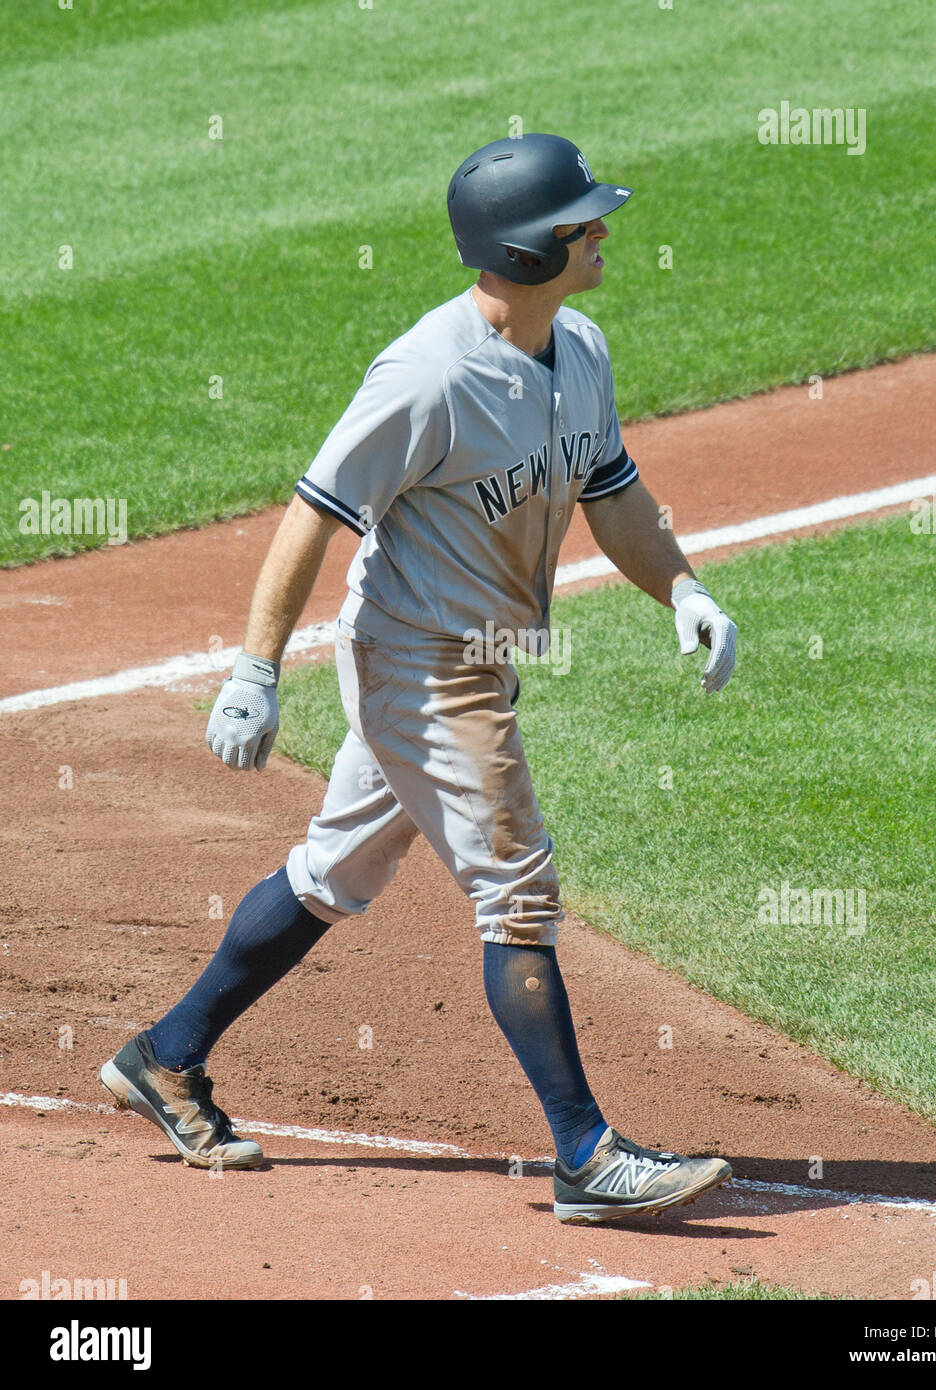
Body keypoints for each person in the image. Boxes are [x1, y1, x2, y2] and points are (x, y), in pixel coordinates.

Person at [100, 134, 738, 1224]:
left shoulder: (576, 347)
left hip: (478, 655)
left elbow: (613, 491)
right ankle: (584, 1154)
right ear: (527, 250)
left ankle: (163, 1056)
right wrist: (257, 667)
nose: (600, 230)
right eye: (580, 221)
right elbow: (316, 508)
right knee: (516, 889)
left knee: (331, 870)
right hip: (422, 663)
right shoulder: (428, 374)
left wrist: (680, 589)